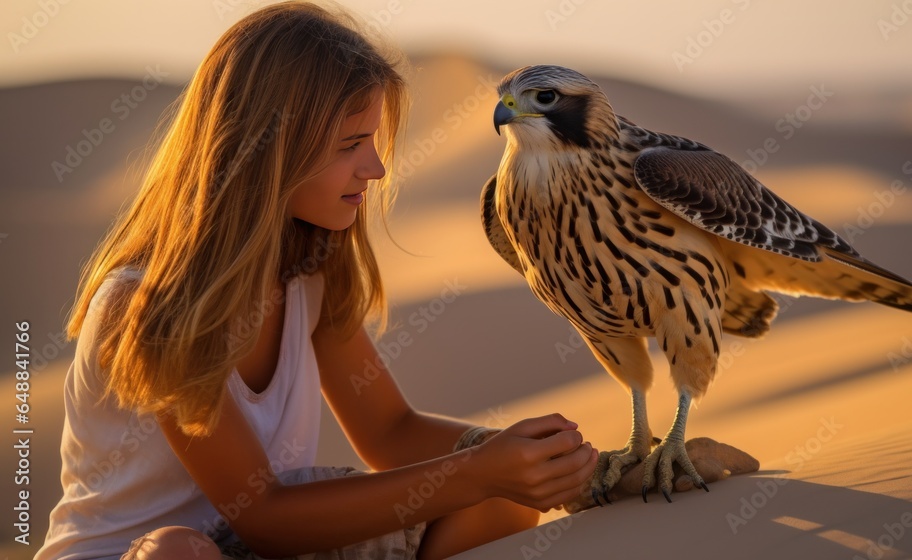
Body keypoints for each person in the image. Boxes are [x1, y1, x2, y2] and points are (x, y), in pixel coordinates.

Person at [35, 2, 598, 559]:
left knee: (500, 499)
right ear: (265, 152)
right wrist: (477, 470)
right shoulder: (144, 304)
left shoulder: (312, 273)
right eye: (350, 146)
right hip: (158, 551)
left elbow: (391, 431)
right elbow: (263, 515)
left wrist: (520, 458)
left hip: (261, 544)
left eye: (373, 142)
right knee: (179, 553)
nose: (375, 168)